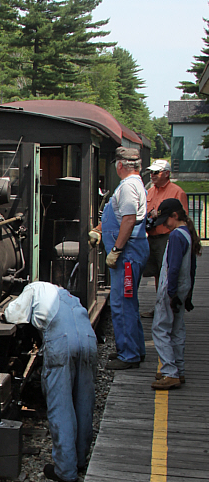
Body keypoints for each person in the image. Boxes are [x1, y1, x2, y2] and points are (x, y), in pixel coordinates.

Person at [0, 281, 97, 482]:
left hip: (62, 341)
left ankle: (66, 470)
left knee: (61, 406)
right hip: (89, 339)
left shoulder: (34, 288)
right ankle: (79, 460)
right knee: (83, 401)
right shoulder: (69, 296)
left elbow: (13, 314)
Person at [99, 146, 150, 370]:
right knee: (129, 302)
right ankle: (135, 349)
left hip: (127, 254)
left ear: (120, 165)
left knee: (123, 303)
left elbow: (128, 220)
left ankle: (129, 355)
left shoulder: (128, 187)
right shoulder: (135, 184)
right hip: (130, 251)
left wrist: (117, 250)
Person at [150, 198, 201, 390]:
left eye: (166, 219)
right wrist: (188, 294)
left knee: (161, 328)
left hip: (171, 289)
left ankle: (169, 371)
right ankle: (179, 369)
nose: (164, 224)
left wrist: (171, 294)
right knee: (178, 329)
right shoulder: (188, 234)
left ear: (175, 216)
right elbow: (192, 268)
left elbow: (173, 267)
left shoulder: (175, 237)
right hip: (183, 288)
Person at [141, 160, 188, 317]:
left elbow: (182, 218)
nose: (152, 175)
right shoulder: (150, 191)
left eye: (156, 172)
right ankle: (160, 306)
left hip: (167, 237)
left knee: (168, 272)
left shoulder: (177, 192)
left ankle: (169, 306)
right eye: (151, 172)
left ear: (167, 173)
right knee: (157, 274)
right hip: (152, 237)